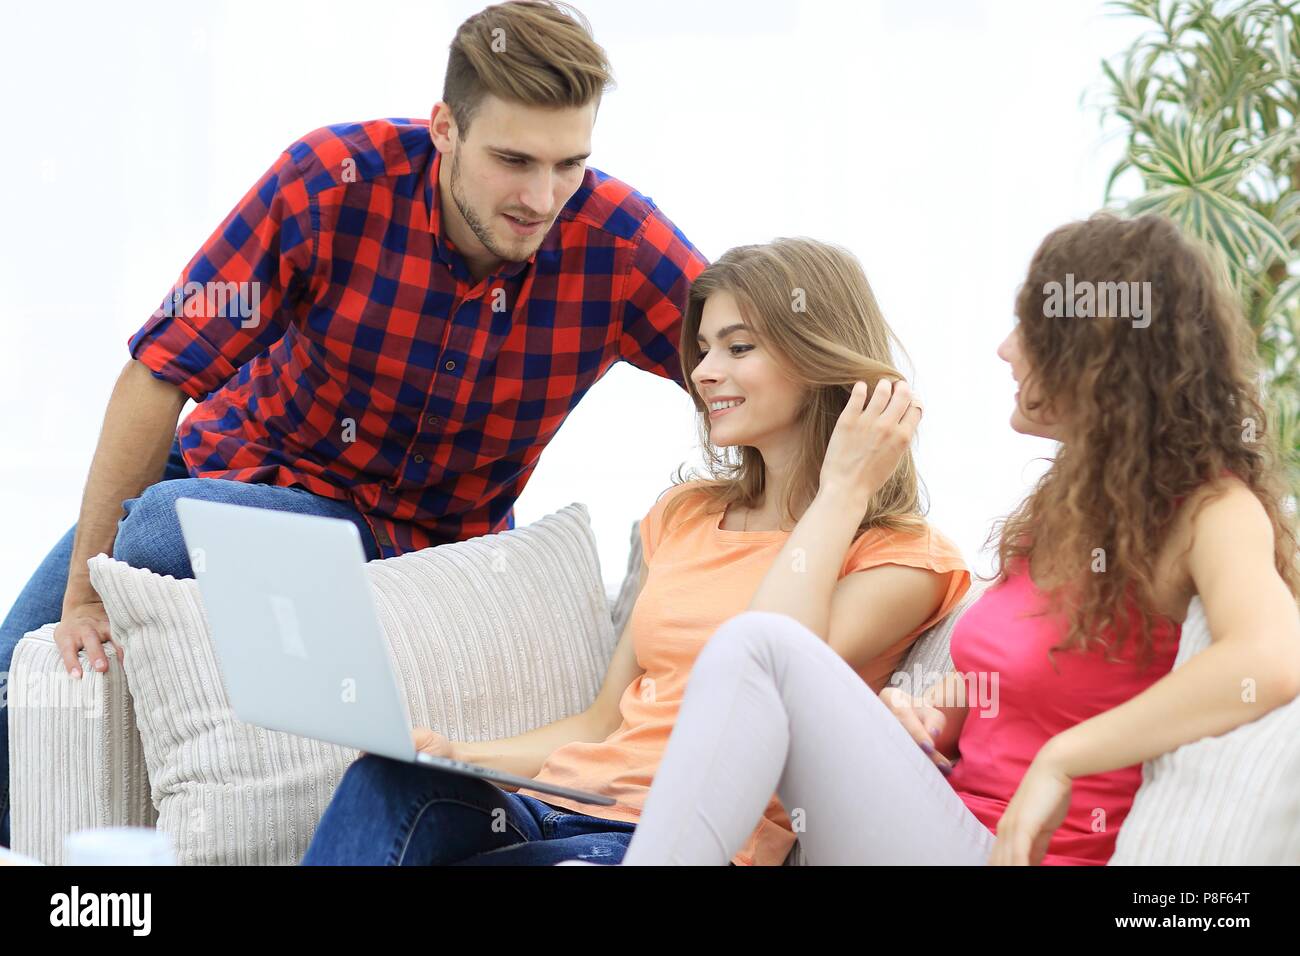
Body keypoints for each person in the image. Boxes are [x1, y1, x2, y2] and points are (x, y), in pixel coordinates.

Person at [0, 0, 708, 848]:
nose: (541, 197)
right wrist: (83, 594)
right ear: (444, 128)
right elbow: (160, 369)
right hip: (235, 470)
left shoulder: (618, 243)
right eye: (513, 160)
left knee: (158, 525)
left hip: (414, 544)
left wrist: (845, 458)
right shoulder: (331, 180)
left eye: (569, 165)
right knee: (17, 665)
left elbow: (755, 356)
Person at [610, 212, 1300, 865]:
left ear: (1094, 353)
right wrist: (917, 713)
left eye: (1027, 327)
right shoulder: (1068, 508)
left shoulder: (1212, 508)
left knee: (756, 644)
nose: (1005, 349)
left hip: (1019, 851)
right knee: (764, 655)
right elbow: (1011, 682)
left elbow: (1270, 660)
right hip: (949, 822)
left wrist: (1066, 756)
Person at [302, 236, 969, 866]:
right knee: (382, 784)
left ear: (817, 354)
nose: (705, 373)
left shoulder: (900, 558)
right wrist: (459, 752)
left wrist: (844, 490)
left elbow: (770, 657)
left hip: (661, 839)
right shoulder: (685, 515)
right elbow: (600, 722)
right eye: (703, 349)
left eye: (738, 348)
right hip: (551, 809)